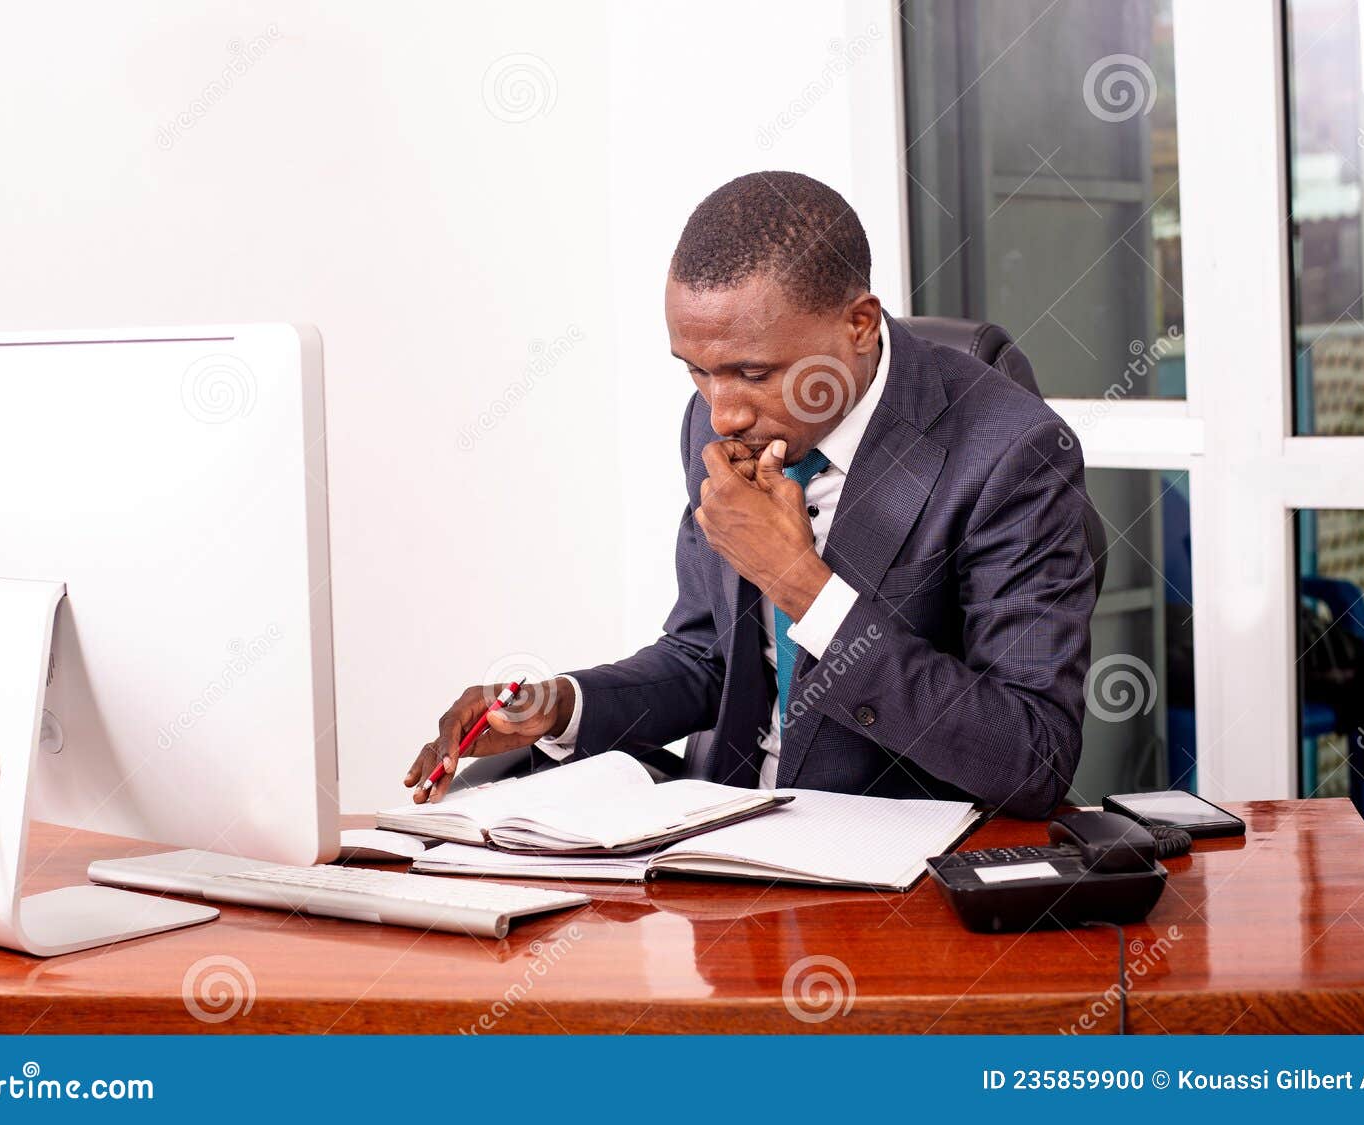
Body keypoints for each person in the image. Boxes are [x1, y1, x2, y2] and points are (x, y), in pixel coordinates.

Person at [405, 171, 1096, 817]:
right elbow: (706, 658)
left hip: (898, 883)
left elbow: (1031, 755)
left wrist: (800, 582)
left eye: (755, 372)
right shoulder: (715, 420)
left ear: (858, 325)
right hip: (723, 848)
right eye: (697, 372)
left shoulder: (1013, 452)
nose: (724, 411)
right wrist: (561, 706)